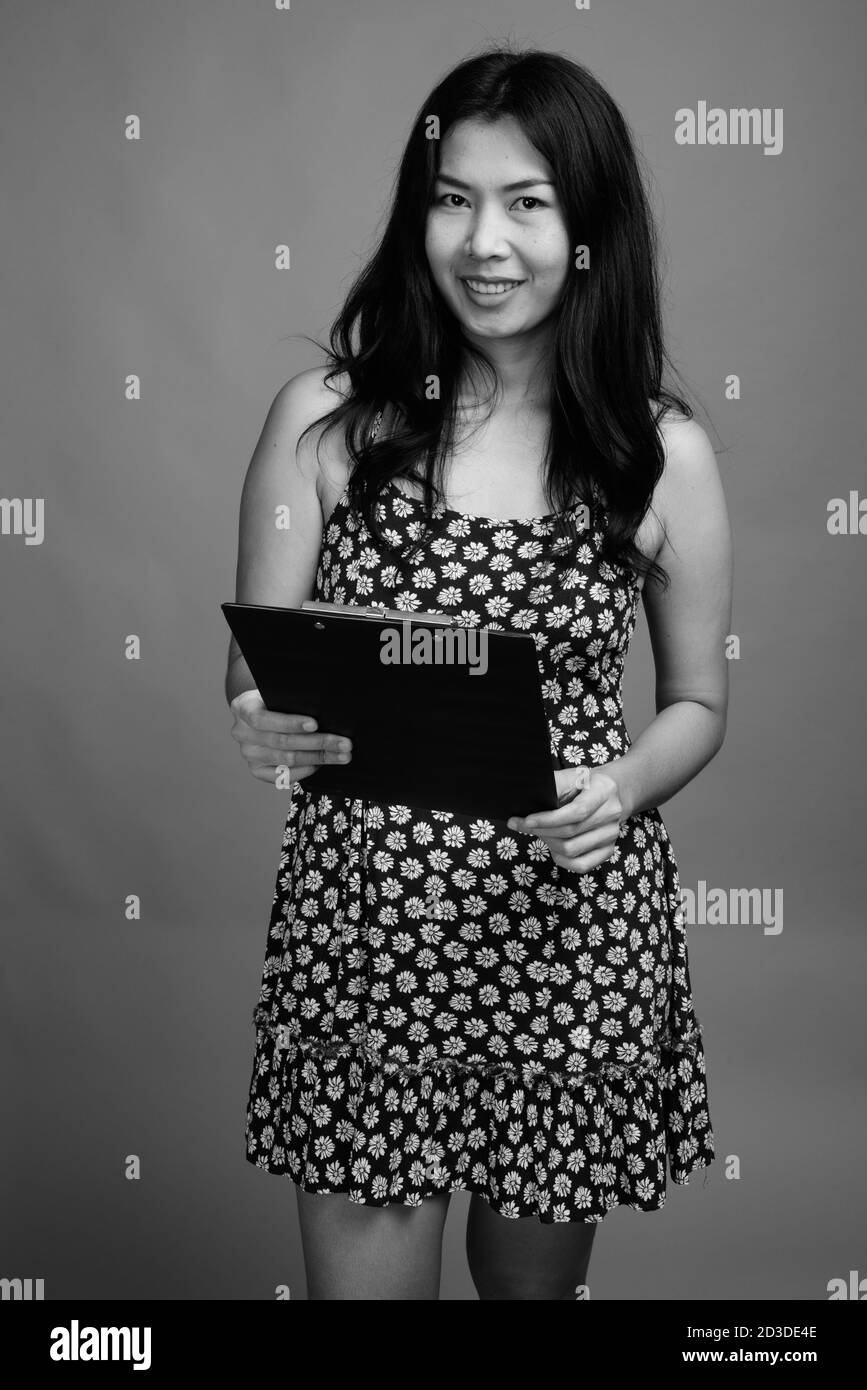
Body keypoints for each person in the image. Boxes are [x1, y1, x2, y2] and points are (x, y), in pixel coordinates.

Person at [225, 46, 732, 1300]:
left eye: (528, 202)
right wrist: (260, 719)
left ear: (589, 228)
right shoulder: (324, 420)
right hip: (370, 938)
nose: (484, 241)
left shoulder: (658, 454)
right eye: (453, 198)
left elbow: (699, 705)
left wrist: (621, 787)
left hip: (570, 946)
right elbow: (253, 665)